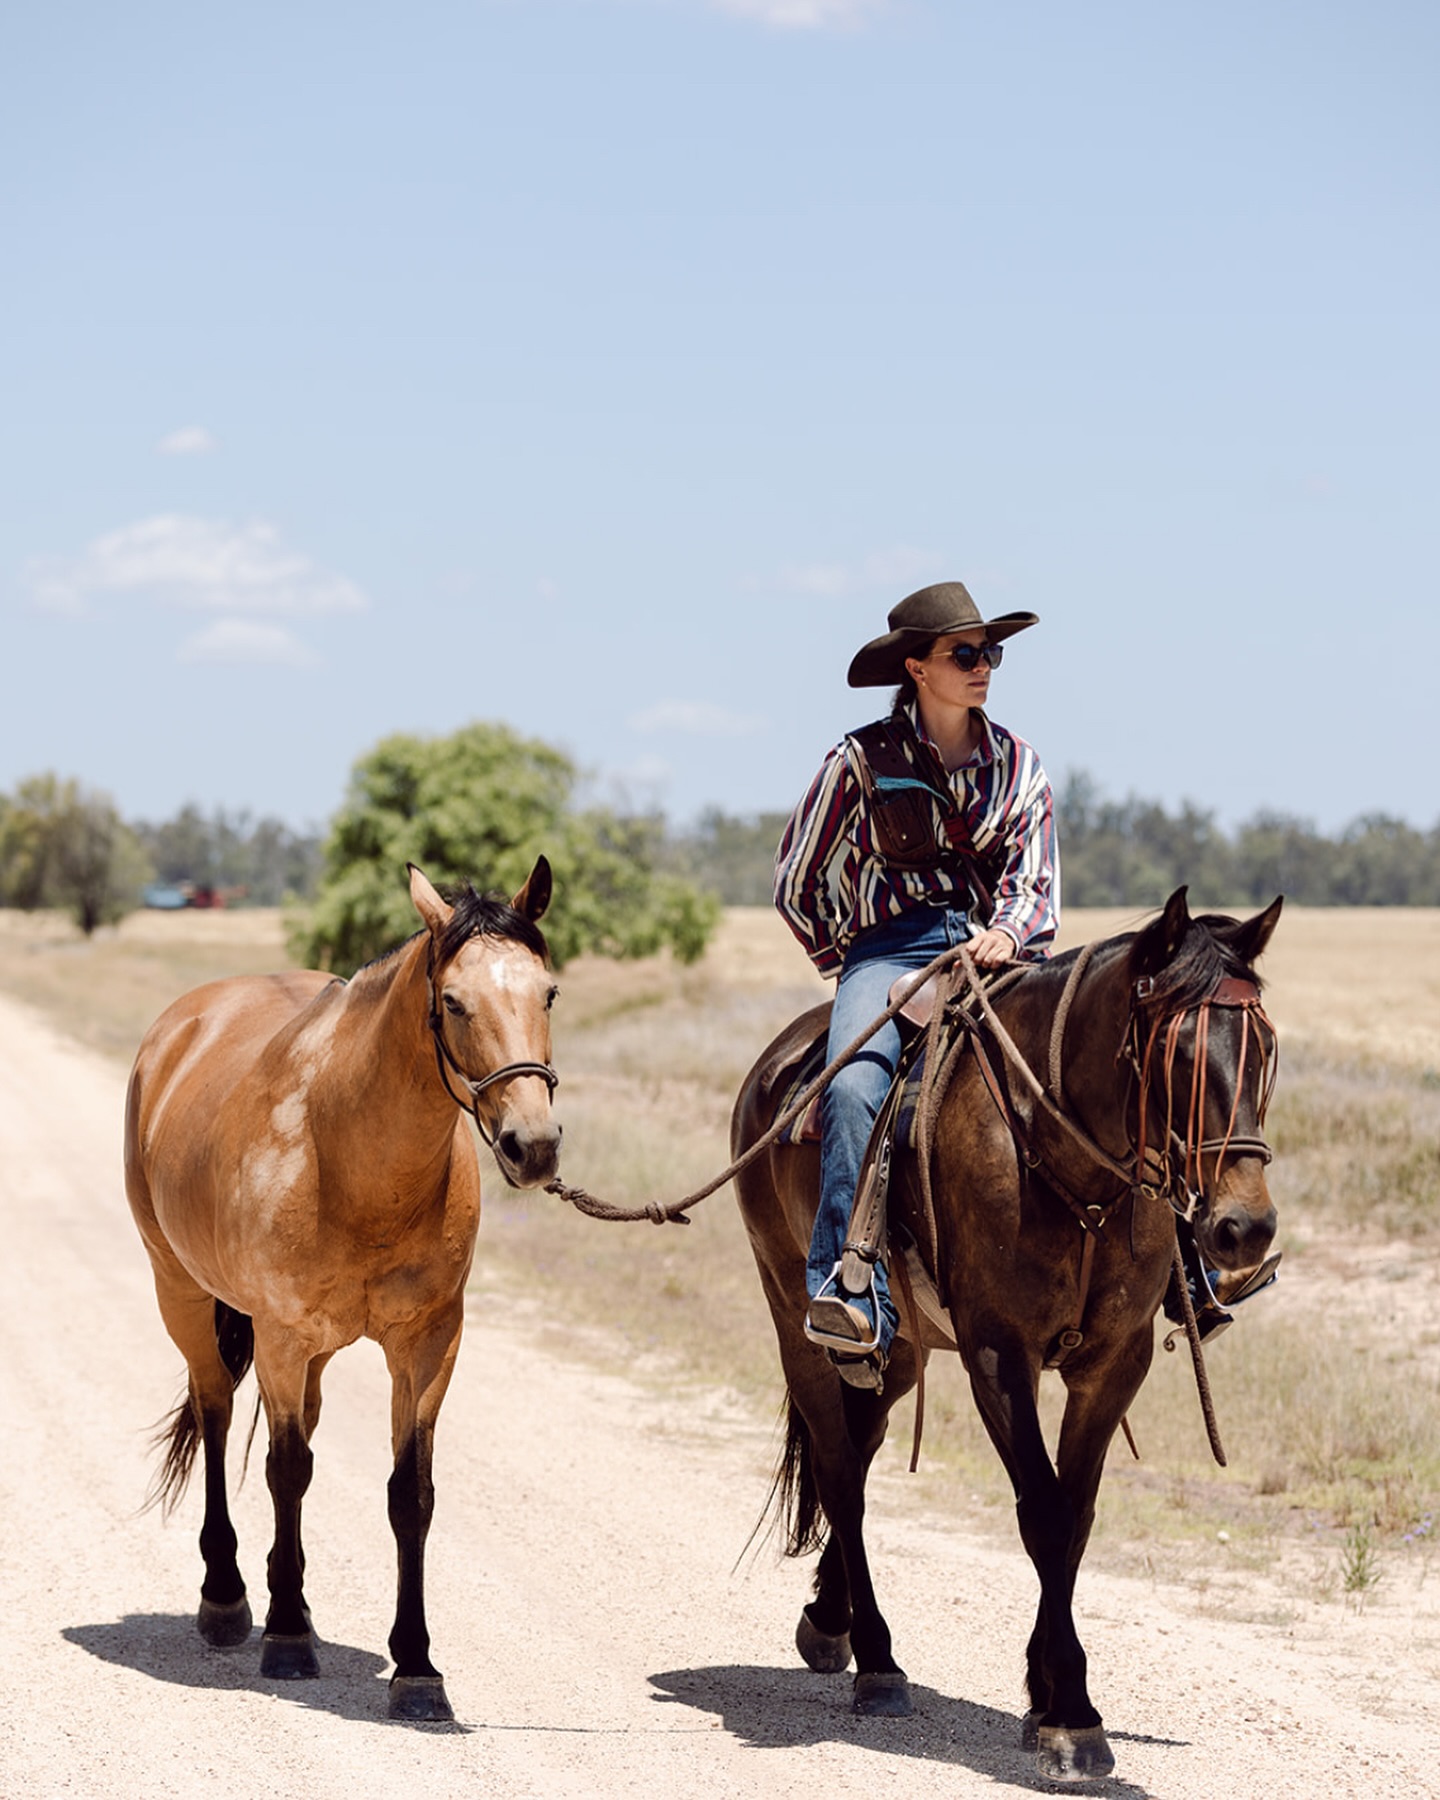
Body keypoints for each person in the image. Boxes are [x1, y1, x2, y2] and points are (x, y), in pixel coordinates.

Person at [773, 580, 1059, 1387]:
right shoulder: (859, 763)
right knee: (857, 1086)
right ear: (917, 669)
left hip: (999, 954)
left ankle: (1188, 1267)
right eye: (964, 655)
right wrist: (853, 969)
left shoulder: (1021, 768)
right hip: (887, 954)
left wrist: (1005, 934)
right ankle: (849, 1284)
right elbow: (797, 880)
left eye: (991, 653)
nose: (984, 668)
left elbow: (1035, 886)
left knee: (1092, 1065)